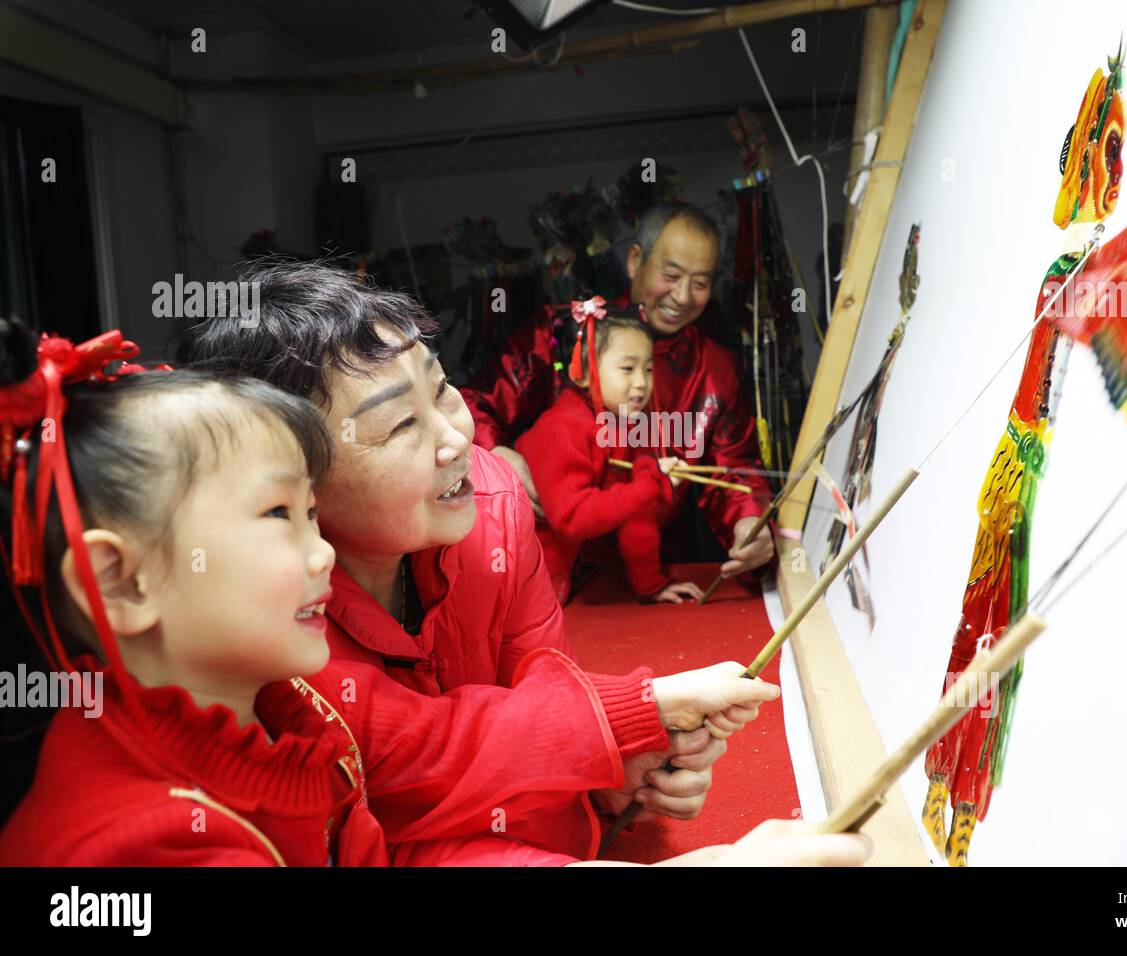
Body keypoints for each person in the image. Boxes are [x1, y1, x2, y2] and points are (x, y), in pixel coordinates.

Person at [0, 327, 869, 867]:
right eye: (280, 514)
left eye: (444, 389)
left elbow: (458, 750)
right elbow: (429, 756)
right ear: (120, 579)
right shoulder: (137, 844)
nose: (317, 554)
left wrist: (617, 753)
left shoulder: (291, 718)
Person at [179, 262, 755, 851]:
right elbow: (392, 799)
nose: (457, 439)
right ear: (287, 481)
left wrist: (601, 779)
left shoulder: (494, 500)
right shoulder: (268, 618)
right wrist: (626, 714)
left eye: (441, 389)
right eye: (401, 422)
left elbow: (538, 691)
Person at [463, 202, 776, 579]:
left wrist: (749, 522)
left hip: (652, 568)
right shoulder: (565, 333)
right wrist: (496, 456)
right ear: (634, 261)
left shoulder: (715, 369)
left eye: (700, 283)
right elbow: (470, 405)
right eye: (671, 274)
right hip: (549, 564)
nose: (682, 296)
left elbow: (733, 470)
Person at [516, 302, 700, 604]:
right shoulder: (561, 428)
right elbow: (571, 518)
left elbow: (636, 513)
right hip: (524, 568)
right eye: (628, 368)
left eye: (649, 368)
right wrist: (650, 485)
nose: (641, 382)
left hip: (570, 571)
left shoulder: (623, 427)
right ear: (584, 373)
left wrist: (650, 584)